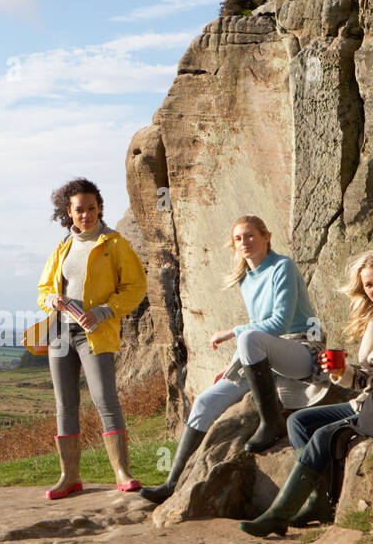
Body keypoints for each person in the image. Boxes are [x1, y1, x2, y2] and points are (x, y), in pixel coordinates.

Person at [240, 249, 373, 536]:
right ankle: (319, 501)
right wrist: (341, 372)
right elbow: (368, 377)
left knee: (321, 435)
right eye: (369, 285)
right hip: (371, 400)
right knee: (298, 422)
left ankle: (279, 513)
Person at [140, 215, 330, 504]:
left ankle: (272, 423)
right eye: (239, 238)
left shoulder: (283, 267)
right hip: (263, 352)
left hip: (301, 350)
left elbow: (278, 324)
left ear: (266, 237)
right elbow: (256, 326)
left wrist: (232, 333)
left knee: (248, 339)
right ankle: (171, 483)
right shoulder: (246, 278)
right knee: (205, 402)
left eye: (251, 235)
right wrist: (232, 364)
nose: (244, 242)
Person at [34, 177, 147, 498]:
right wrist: (52, 300)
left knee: (105, 399)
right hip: (59, 332)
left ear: (100, 209)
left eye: (92, 209)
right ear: (68, 213)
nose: (86, 215)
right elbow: (43, 291)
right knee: (65, 405)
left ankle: (123, 473)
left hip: (94, 333)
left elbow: (135, 287)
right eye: (79, 210)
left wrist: (103, 311)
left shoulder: (115, 244)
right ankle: (69, 477)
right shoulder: (63, 247)